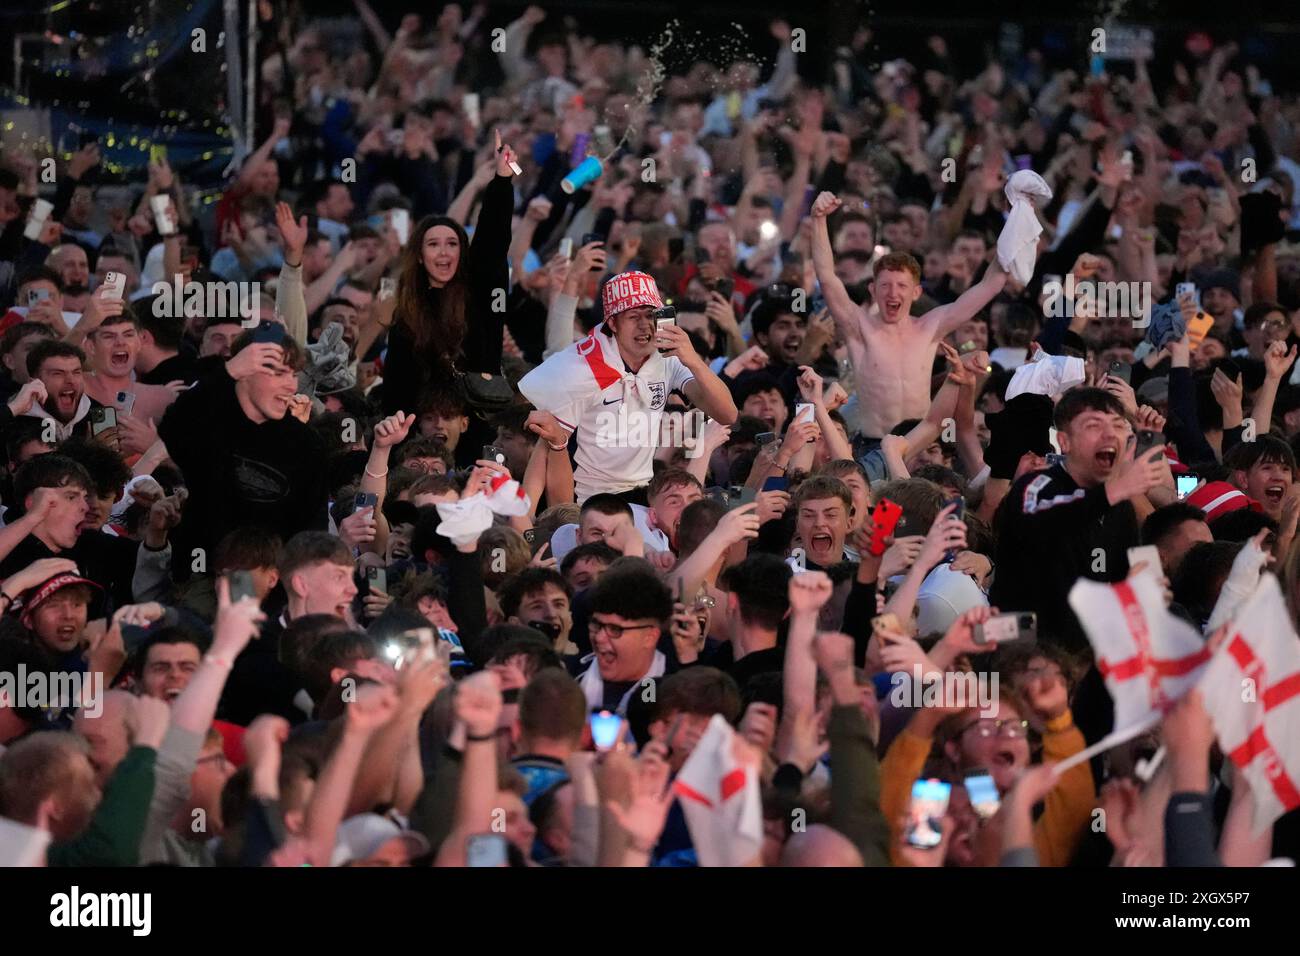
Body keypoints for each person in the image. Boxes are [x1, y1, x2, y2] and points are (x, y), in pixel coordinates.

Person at [519, 271, 737, 503]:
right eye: (634, 317)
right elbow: (550, 449)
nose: (645, 326)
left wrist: (693, 360)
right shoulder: (583, 367)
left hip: (644, 493)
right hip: (591, 499)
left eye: (651, 315)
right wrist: (560, 518)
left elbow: (727, 414)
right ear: (612, 322)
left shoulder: (668, 358)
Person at [810, 192, 1008, 443]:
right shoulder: (859, 328)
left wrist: (1019, 215)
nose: (893, 293)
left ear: (916, 292)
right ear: (872, 290)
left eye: (902, 286)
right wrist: (818, 219)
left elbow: (991, 284)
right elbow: (827, 276)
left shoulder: (931, 326)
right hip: (873, 446)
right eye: (885, 286)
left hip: (920, 447)